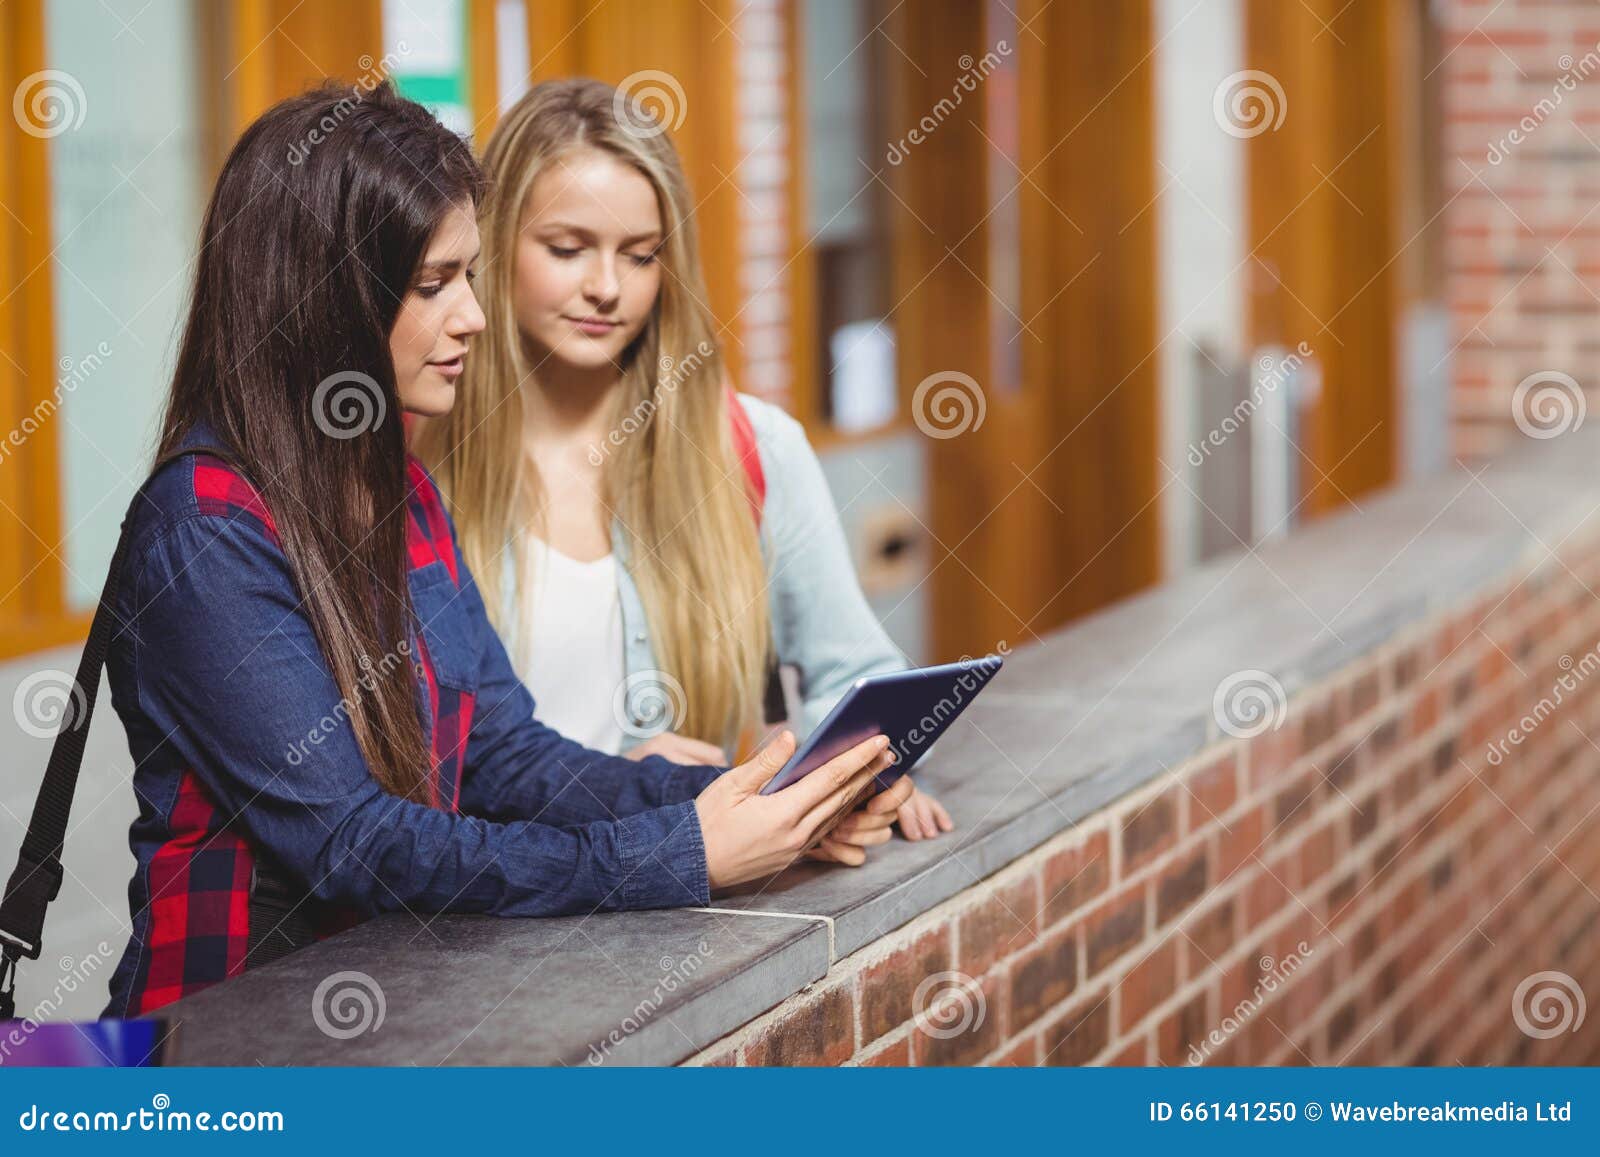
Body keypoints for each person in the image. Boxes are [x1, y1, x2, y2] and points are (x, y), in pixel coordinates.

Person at [99, 83, 908, 1019]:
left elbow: (505, 756)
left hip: (395, 1016)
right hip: (224, 1045)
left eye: (472, 276)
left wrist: (755, 800)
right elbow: (351, 842)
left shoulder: (404, 492)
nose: (473, 318)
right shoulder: (205, 528)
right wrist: (681, 851)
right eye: (435, 284)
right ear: (326, 298)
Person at [414, 78, 953, 847]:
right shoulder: (420, 468)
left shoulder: (750, 448)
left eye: (640, 256)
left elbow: (856, 675)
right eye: (567, 249)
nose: (606, 287)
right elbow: (401, 790)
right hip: (506, 924)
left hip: (701, 912)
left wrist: (871, 774)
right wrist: (621, 788)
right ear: (492, 245)